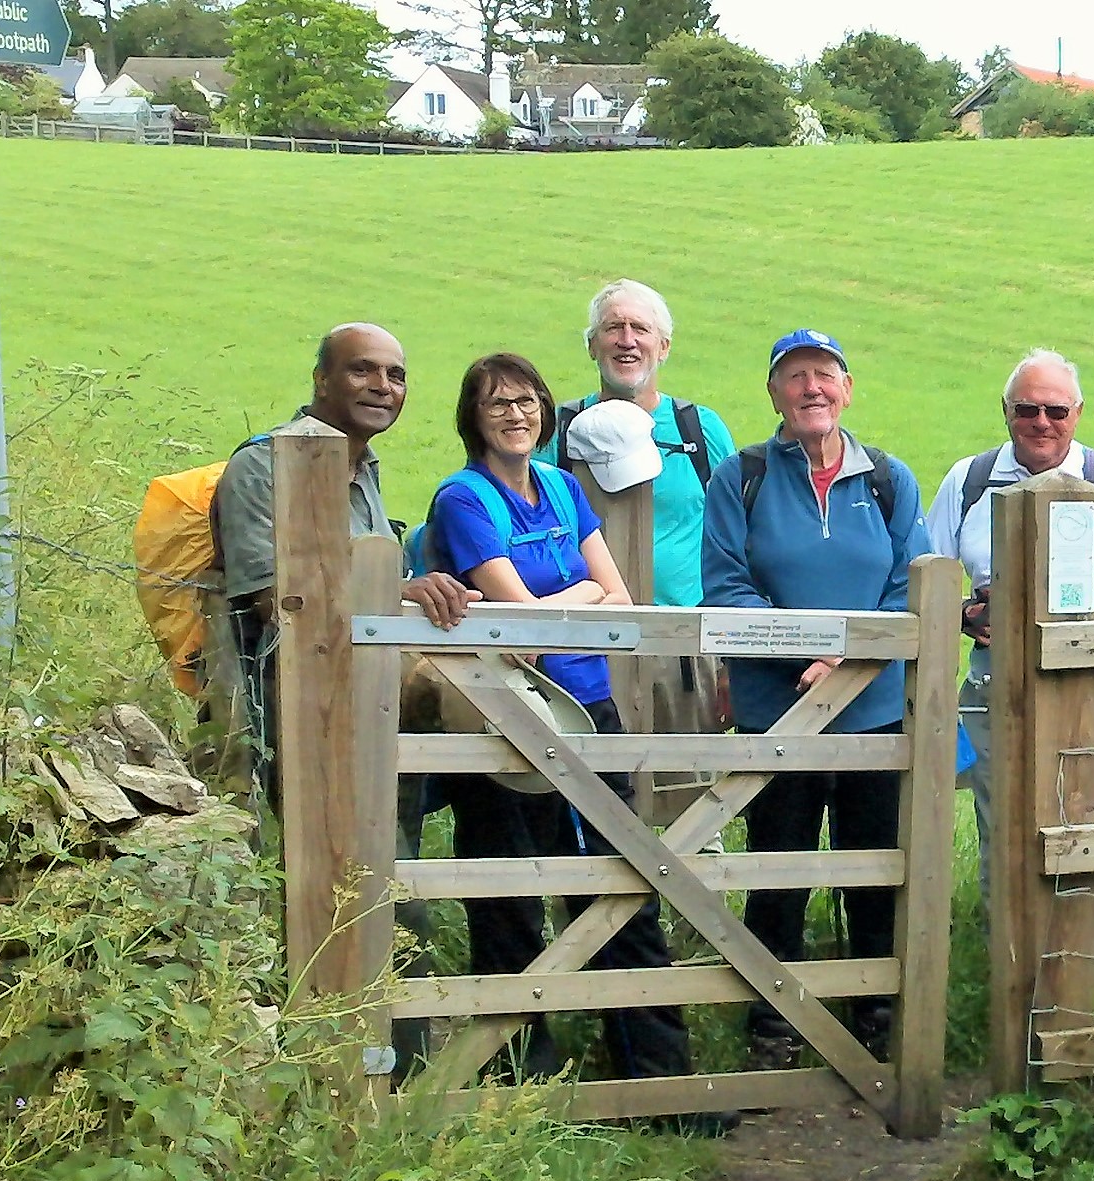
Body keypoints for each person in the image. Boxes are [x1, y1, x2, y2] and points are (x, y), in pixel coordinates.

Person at [421, 353, 699, 1095]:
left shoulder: (562, 488)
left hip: (590, 710)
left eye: (527, 401)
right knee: (509, 894)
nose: (516, 415)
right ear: (473, 418)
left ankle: (654, 1077)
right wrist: (579, 596)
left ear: (546, 410)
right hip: (506, 720)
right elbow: (522, 626)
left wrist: (564, 604)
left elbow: (621, 596)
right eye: (497, 403)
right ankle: (518, 1074)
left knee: (620, 885)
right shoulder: (464, 499)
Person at [701, 330, 927, 1070]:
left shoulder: (889, 480)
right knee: (778, 871)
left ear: (847, 389)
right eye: (795, 377)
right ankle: (773, 1024)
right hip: (777, 714)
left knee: (875, 870)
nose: (811, 389)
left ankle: (879, 1017)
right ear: (774, 393)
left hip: (874, 716)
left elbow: (910, 586)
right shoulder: (741, 478)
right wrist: (811, 653)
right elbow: (726, 587)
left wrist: (846, 659)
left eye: (824, 375)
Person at [209, 323, 477, 793]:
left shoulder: (364, 464)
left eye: (396, 375)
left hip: (374, 697)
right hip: (298, 707)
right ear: (321, 380)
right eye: (361, 370)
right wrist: (396, 592)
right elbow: (276, 604)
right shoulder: (266, 465)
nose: (382, 386)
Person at [923, 349, 1094, 887]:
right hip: (994, 680)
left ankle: (1082, 928)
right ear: (1005, 411)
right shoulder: (969, 479)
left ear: (1079, 413)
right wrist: (963, 614)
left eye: (1056, 411)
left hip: (1091, 687)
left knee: (1081, 811)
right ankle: (1001, 930)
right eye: (1027, 410)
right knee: (999, 815)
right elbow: (928, 576)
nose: (1041, 422)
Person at [535, 279, 739, 606]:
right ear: (591, 346)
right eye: (614, 327)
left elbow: (739, 529)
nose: (627, 341)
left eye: (640, 329)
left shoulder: (701, 429)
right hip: (583, 625)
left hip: (682, 628)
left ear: (664, 347)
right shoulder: (556, 429)